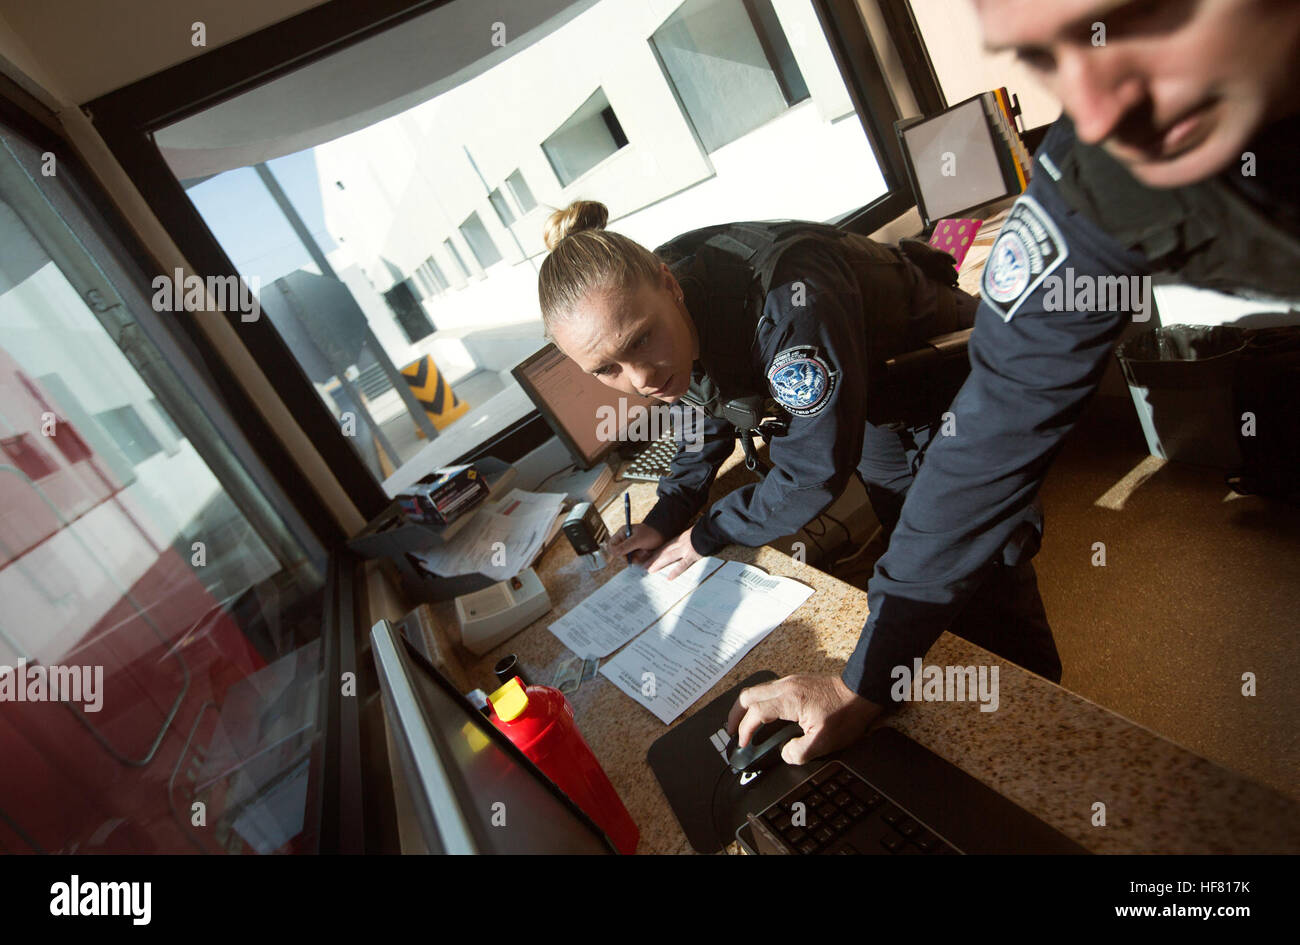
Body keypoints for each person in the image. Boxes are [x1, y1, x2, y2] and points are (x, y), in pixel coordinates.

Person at [726, 0, 1300, 766]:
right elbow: (992, 426)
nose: (1092, 104)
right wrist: (863, 681)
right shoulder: (1102, 162)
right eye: (1045, 56)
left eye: (1137, 19)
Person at [536, 200, 1062, 682]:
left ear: (670, 284)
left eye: (640, 341)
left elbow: (812, 470)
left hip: (939, 369)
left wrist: (707, 532)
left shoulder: (789, 297)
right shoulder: (657, 310)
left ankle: (1038, 703)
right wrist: (667, 514)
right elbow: (710, 397)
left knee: (976, 552)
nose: (640, 379)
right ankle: (967, 662)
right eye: (606, 369)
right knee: (914, 544)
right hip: (875, 391)